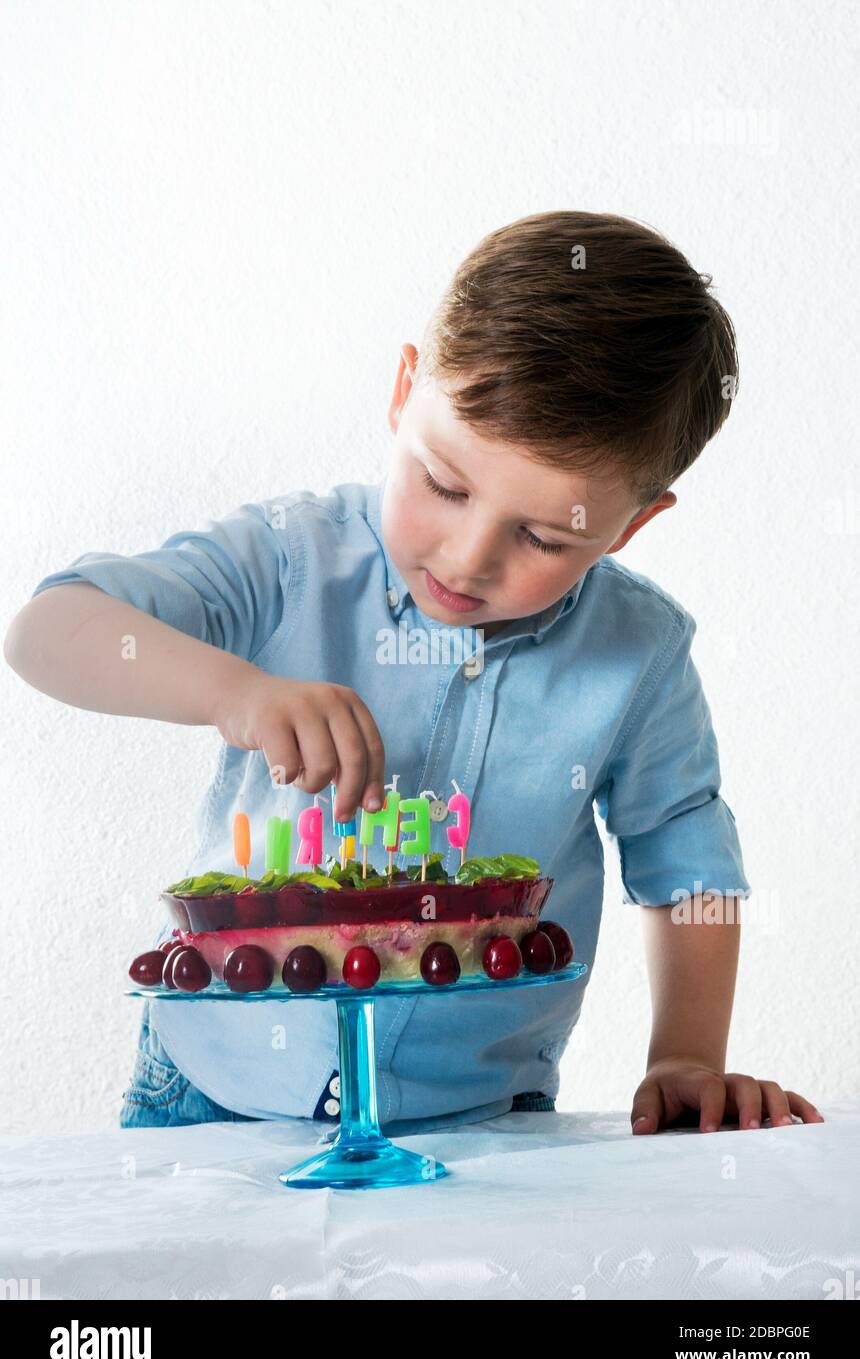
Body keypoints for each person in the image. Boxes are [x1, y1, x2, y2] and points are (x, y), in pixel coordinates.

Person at [5, 210, 822, 1134]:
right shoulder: (289, 559)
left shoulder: (640, 653)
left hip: (477, 1120)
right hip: (217, 1097)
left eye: (545, 537)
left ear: (630, 526)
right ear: (403, 390)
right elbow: (48, 630)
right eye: (444, 483)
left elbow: (691, 867)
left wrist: (684, 1057)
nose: (469, 560)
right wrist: (234, 694)